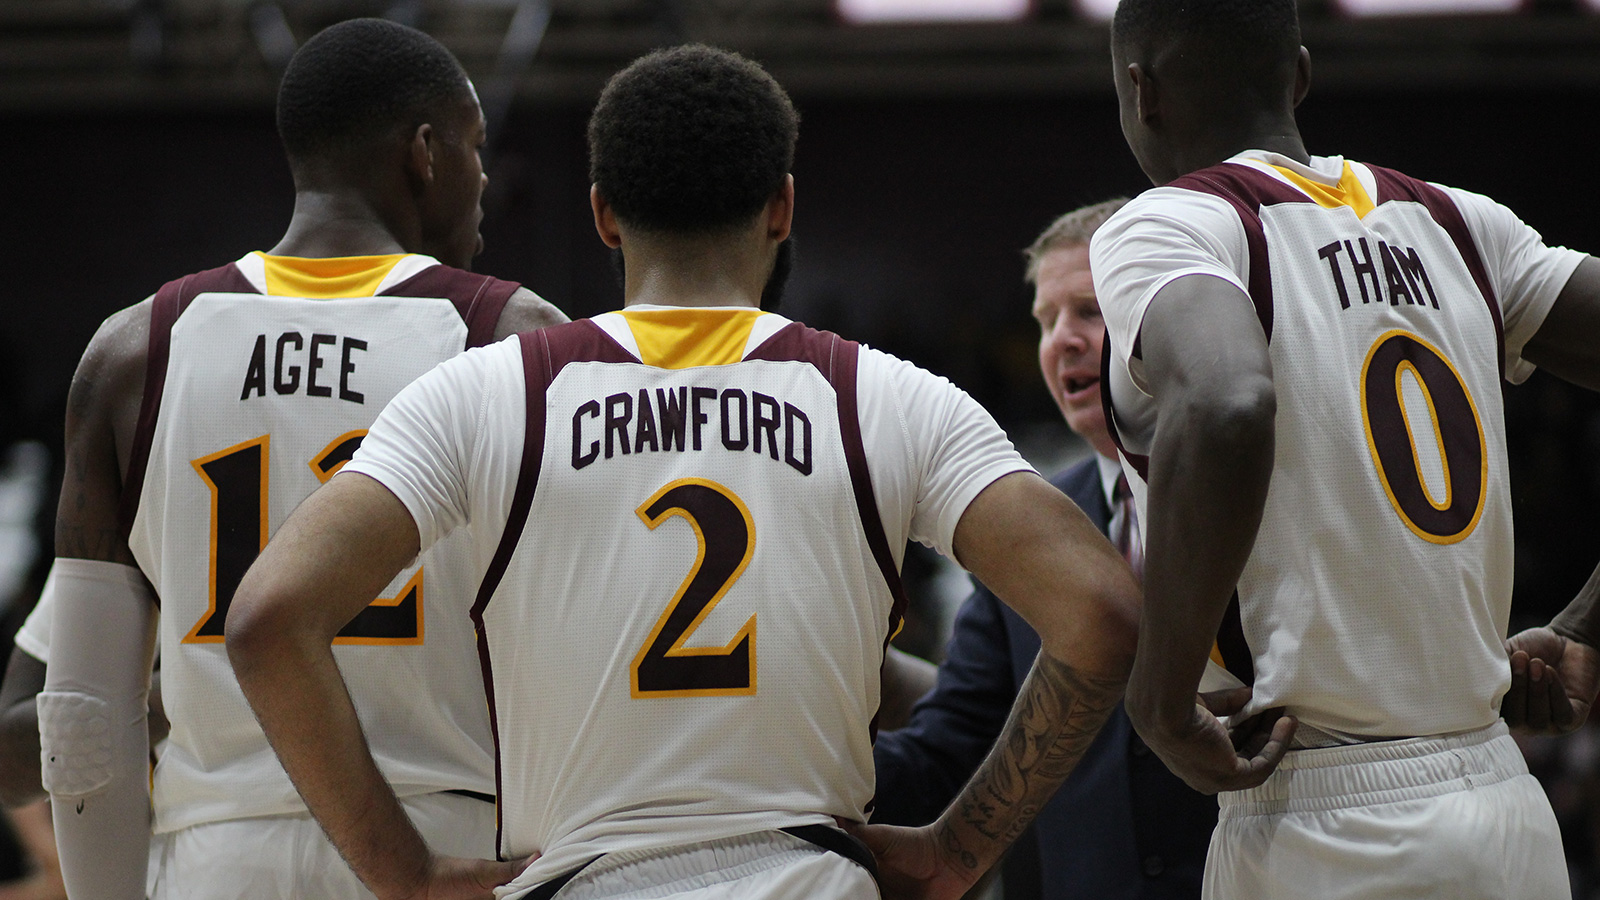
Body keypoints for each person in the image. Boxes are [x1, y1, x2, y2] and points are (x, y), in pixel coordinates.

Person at [224, 44, 1142, 900]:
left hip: (582, 876)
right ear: (782, 206)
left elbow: (267, 618)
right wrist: (961, 844)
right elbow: (1099, 613)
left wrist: (408, 876)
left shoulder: (483, 393)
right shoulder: (892, 397)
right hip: (811, 877)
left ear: (602, 214)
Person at [35, 18, 566, 900]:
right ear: (426, 153)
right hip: (446, 843)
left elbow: (83, 718)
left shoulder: (133, 351)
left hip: (215, 854)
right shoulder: (514, 338)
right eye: (475, 148)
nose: (482, 179)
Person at [1093, 1, 1600, 897]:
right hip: (1501, 806)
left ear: (1142, 91)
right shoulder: (1460, 223)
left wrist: (1159, 702)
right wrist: (1583, 627)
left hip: (1315, 809)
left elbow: (1226, 404)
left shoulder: (1170, 224)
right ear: (1299, 74)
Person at [873, 198, 1217, 900]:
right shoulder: (1028, 525)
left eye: (1089, 312)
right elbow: (947, 754)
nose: (1062, 339)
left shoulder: (1260, 497)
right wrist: (796, 764)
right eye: (1046, 320)